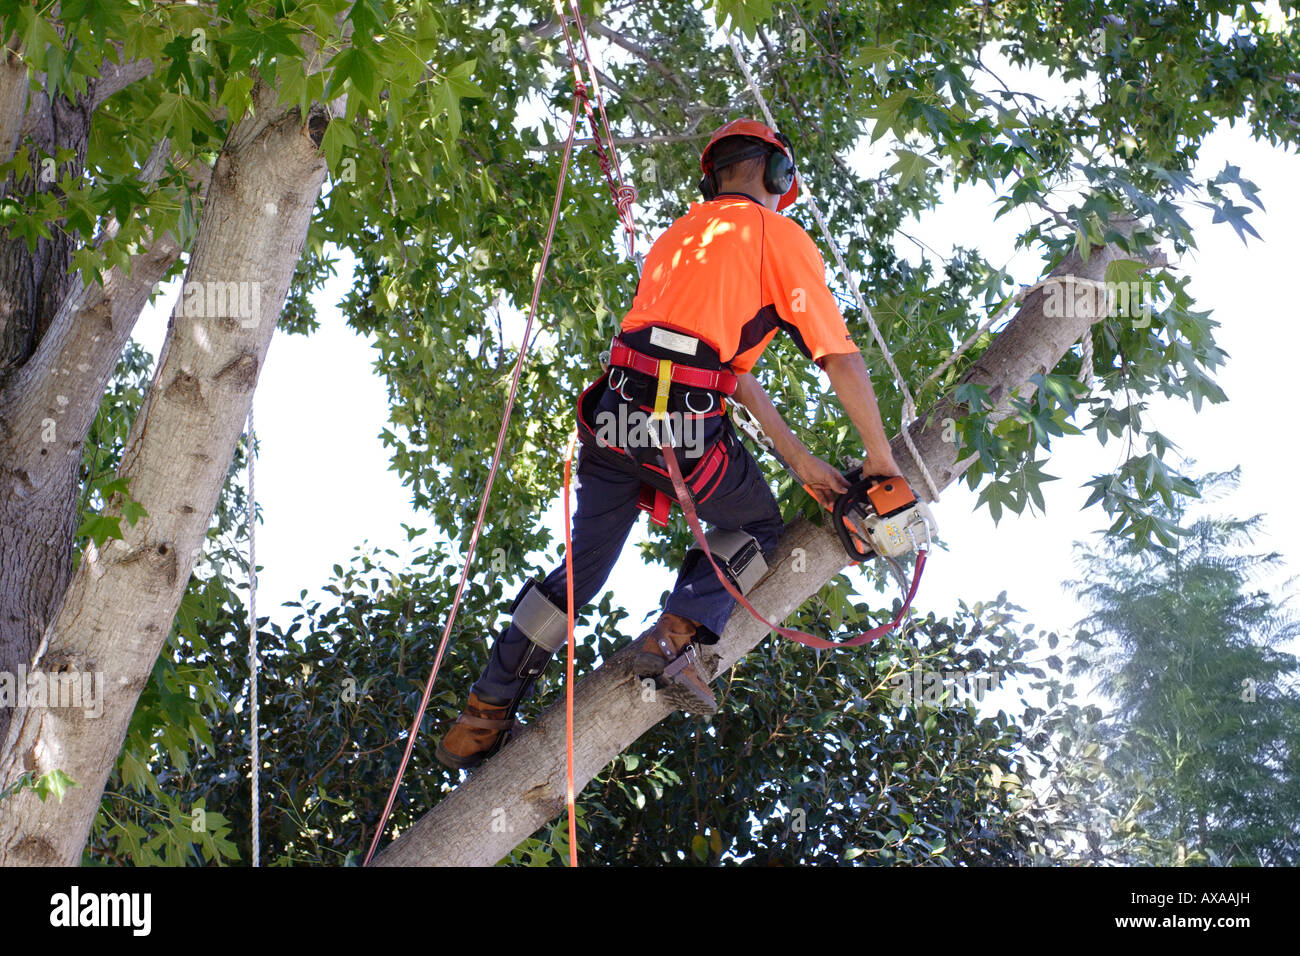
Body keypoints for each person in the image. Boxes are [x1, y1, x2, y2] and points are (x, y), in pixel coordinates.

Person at [436, 118, 901, 770]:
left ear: (713, 177)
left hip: (615, 423)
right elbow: (840, 359)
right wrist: (881, 464)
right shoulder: (777, 234)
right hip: (680, 429)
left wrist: (799, 459)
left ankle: (484, 712)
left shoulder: (681, 236)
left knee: (580, 576)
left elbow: (729, 377)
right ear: (779, 177)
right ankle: (672, 640)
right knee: (759, 527)